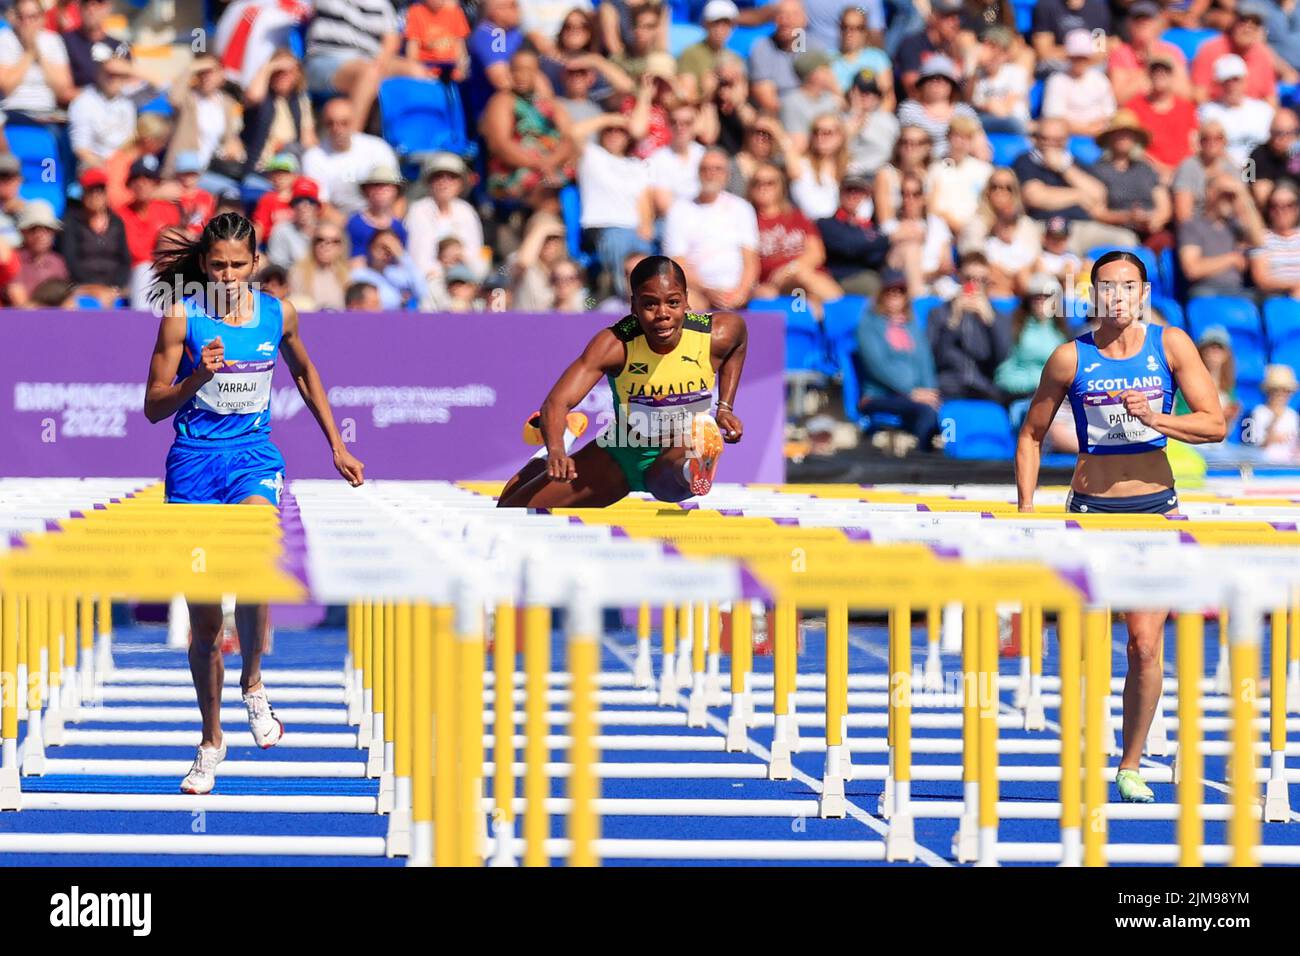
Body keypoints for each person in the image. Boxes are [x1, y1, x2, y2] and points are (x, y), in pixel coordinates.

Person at [142, 212, 364, 795]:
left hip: (253, 461)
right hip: (192, 468)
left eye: (239, 265)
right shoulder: (181, 316)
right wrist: (197, 377)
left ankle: (254, 683)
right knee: (205, 621)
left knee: (257, 559)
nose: (228, 275)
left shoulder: (278, 312)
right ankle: (211, 738)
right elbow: (153, 407)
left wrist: (337, 445)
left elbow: (307, 373)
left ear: (256, 262)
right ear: (203, 265)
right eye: (217, 265)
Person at [1015, 250, 1227, 804]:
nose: (1116, 297)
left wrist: (1158, 419)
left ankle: (1130, 763)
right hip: (1089, 514)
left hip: (1155, 513)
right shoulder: (1069, 358)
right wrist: (1026, 510)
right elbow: (1031, 434)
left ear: (1144, 292)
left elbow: (1215, 424)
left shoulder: (1171, 345)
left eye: (1126, 286)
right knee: (1081, 643)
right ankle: (1086, 739)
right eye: (1106, 287)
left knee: (1144, 644)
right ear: (1092, 295)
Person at [496, 255, 746, 507]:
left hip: (678, 448)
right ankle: (571, 432)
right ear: (633, 306)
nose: (663, 314)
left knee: (670, 479)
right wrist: (557, 451)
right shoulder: (614, 345)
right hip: (621, 452)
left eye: (673, 302)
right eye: (649, 305)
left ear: (686, 301)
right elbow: (556, 403)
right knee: (510, 507)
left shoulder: (718, 333)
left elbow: (739, 342)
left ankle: (696, 462)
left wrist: (725, 407)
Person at [855, 268, 942, 455]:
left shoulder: (911, 326)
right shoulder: (868, 325)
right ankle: (921, 462)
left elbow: (925, 361)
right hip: (880, 396)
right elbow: (878, 366)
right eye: (890, 291)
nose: (895, 296)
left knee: (943, 409)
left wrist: (930, 392)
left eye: (900, 291)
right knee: (925, 413)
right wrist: (911, 392)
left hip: (916, 396)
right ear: (881, 294)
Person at [663, 147, 759, 312]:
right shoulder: (679, 210)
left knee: (768, 297)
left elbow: (751, 260)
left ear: (727, 175)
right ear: (698, 173)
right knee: (681, 305)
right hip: (697, 291)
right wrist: (707, 291)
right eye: (705, 169)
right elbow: (677, 264)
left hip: (738, 291)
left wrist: (740, 292)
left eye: (717, 169)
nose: (711, 173)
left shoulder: (742, 208)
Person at [574, 114, 654, 299]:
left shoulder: (637, 165)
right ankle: (627, 300)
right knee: (619, 242)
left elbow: (644, 198)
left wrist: (647, 224)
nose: (614, 134)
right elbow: (572, 132)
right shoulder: (592, 156)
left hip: (635, 228)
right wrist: (609, 119)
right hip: (605, 227)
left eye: (621, 131)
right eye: (610, 130)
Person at [749, 161, 842, 308]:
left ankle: (842, 316)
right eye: (757, 182)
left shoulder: (796, 216)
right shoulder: (748, 220)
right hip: (772, 284)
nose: (763, 187)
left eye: (770, 183)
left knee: (809, 292)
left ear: (780, 187)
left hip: (805, 276)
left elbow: (817, 253)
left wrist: (790, 270)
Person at [928, 251, 1011, 401]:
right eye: (969, 279)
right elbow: (933, 357)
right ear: (959, 278)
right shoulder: (939, 313)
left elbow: (1003, 359)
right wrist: (953, 321)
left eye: (981, 280)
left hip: (983, 387)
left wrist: (990, 323)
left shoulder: (997, 317)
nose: (974, 286)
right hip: (948, 385)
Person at [301, 98, 400, 218]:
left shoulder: (378, 148)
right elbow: (323, 206)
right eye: (330, 123)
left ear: (354, 122)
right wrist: (355, 229)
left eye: (344, 123)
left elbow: (398, 198)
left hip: (381, 219)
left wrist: (388, 227)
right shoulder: (313, 157)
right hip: (339, 224)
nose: (337, 129)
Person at [1179, 171, 1263, 299]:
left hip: (1237, 291)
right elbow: (1192, 269)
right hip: (1206, 291)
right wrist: (1231, 259)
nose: (1229, 199)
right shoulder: (1192, 226)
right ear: (1210, 192)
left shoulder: (1235, 226)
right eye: (1224, 193)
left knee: (1270, 303)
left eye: (1232, 195)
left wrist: (1243, 194)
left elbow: (1260, 240)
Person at [405, 152, 486, 284]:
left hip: (463, 282)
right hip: (429, 283)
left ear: (461, 183)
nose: (444, 181)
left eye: (452, 176)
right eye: (438, 176)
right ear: (429, 181)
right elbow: (418, 261)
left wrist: (460, 257)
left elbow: (476, 258)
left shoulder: (467, 211)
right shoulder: (418, 211)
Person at [996, 273, 1070, 404]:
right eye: (1036, 297)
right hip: (1023, 395)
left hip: (1057, 398)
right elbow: (1003, 373)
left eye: (1047, 296)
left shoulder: (1062, 332)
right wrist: (1037, 384)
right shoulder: (1014, 327)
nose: (1041, 301)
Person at [62, 166, 130, 304]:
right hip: (81, 284)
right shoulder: (71, 222)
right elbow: (71, 261)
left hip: (113, 286)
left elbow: (124, 259)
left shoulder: (117, 223)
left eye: (100, 191)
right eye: (91, 191)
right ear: (83, 194)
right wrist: (95, 287)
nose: (96, 195)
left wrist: (115, 285)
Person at [1123, 54, 1198, 180]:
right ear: (1149, 76)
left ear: (1172, 76)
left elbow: (1194, 143)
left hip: (1185, 171)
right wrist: (1160, 168)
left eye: (1165, 71)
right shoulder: (1134, 107)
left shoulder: (1186, 107)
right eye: (1155, 71)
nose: (1160, 74)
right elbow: (1133, 147)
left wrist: (1183, 170)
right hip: (1148, 171)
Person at [816, 171, 889, 295]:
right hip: (839, 278)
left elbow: (878, 254)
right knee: (873, 285)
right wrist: (875, 241)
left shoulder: (871, 226)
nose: (853, 195)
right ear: (840, 194)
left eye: (859, 191)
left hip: (867, 274)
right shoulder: (827, 224)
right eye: (849, 190)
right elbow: (847, 246)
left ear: (866, 196)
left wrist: (873, 242)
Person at [0, 0, 74, 121]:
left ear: (42, 18)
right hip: (12, 111)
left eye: (32, 17)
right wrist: (29, 53)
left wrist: (38, 54)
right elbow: (5, 87)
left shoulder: (53, 40)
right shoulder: (4, 39)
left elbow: (62, 89)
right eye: (21, 17)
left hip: (47, 112)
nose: (26, 22)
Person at [1198, 53, 1275, 166]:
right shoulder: (1208, 111)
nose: (1232, 86)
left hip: (1260, 169)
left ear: (1245, 80)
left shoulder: (1264, 110)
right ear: (1219, 84)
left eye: (1236, 80)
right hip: (1225, 170)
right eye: (1226, 81)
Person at [1041, 29, 1117, 139]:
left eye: (1083, 57)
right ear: (1069, 58)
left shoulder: (1100, 79)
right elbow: (1054, 117)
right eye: (1076, 57)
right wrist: (1084, 130)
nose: (1080, 61)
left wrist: (1096, 128)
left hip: (1100, 136)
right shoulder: (1057, 81)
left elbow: (1110, 112)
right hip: (1066, 138)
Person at [67, 57, 135, 170]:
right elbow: (81, 150)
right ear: (99, 73)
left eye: (121, 75)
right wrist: (111, 170)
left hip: (124, 165)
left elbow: (162, 85)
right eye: (110, 74)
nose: (115, 79)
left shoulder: (128, 102)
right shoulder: (83, 102)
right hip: (95, 167)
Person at [1249, 180, 1300, 295]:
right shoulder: (1260, 239)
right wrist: (1294, 286)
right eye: (1275, 205)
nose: (1281, 211)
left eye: (1289, 205)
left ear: (1297, 208)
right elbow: (1262, 280)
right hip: (1278, 298)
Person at [288, 223, 352, 310]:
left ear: (341, 247)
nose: (325, 245)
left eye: (334, 241)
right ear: (313, 244)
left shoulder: (348, 276)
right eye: (320, 240)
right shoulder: (298, 273)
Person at [404, 0, 471, 80]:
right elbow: (412, 53)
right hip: (426, 71)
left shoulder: (455, 11)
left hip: (451, 70)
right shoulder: (415, 12)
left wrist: (461, 71)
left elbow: (460, 49)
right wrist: (421, 73)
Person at [1246, 364, 1300, 462]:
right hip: (1264, 466)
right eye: (1276, 390)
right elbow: (1255, 446)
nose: (1280, 394)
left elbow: (1294, 445)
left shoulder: (1292, 415)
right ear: (1268, 391)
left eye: (1286, 391)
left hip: (1289, 468)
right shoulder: (1259, 412)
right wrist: (1274, 420)